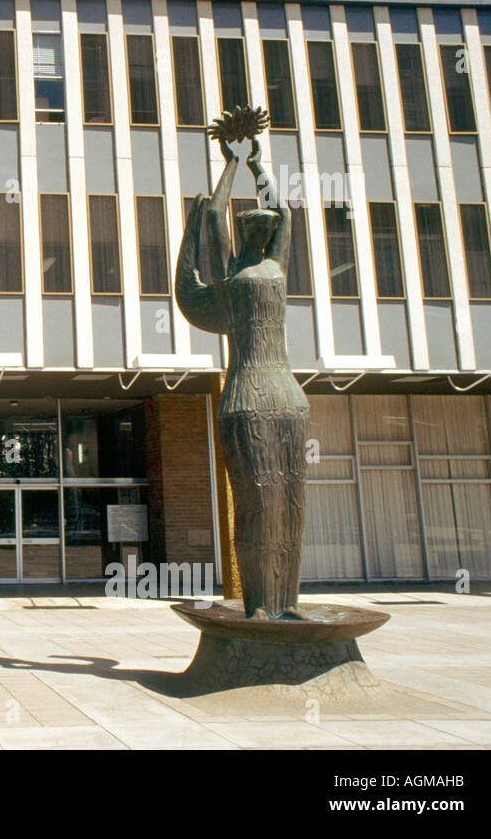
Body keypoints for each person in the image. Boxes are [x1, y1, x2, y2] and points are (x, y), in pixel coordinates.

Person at [175, 107, 310, 619]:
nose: (261, 225)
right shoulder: (230, 281)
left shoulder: (276, 265)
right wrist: (229, 161)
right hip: (245, 397)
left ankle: (288, 603)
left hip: (287, 398)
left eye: (264, 222)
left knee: (291, 503)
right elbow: (213, 216)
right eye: (251, 222)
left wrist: (256, 162)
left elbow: (287, 213)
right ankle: (258, 604)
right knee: (256, 502)